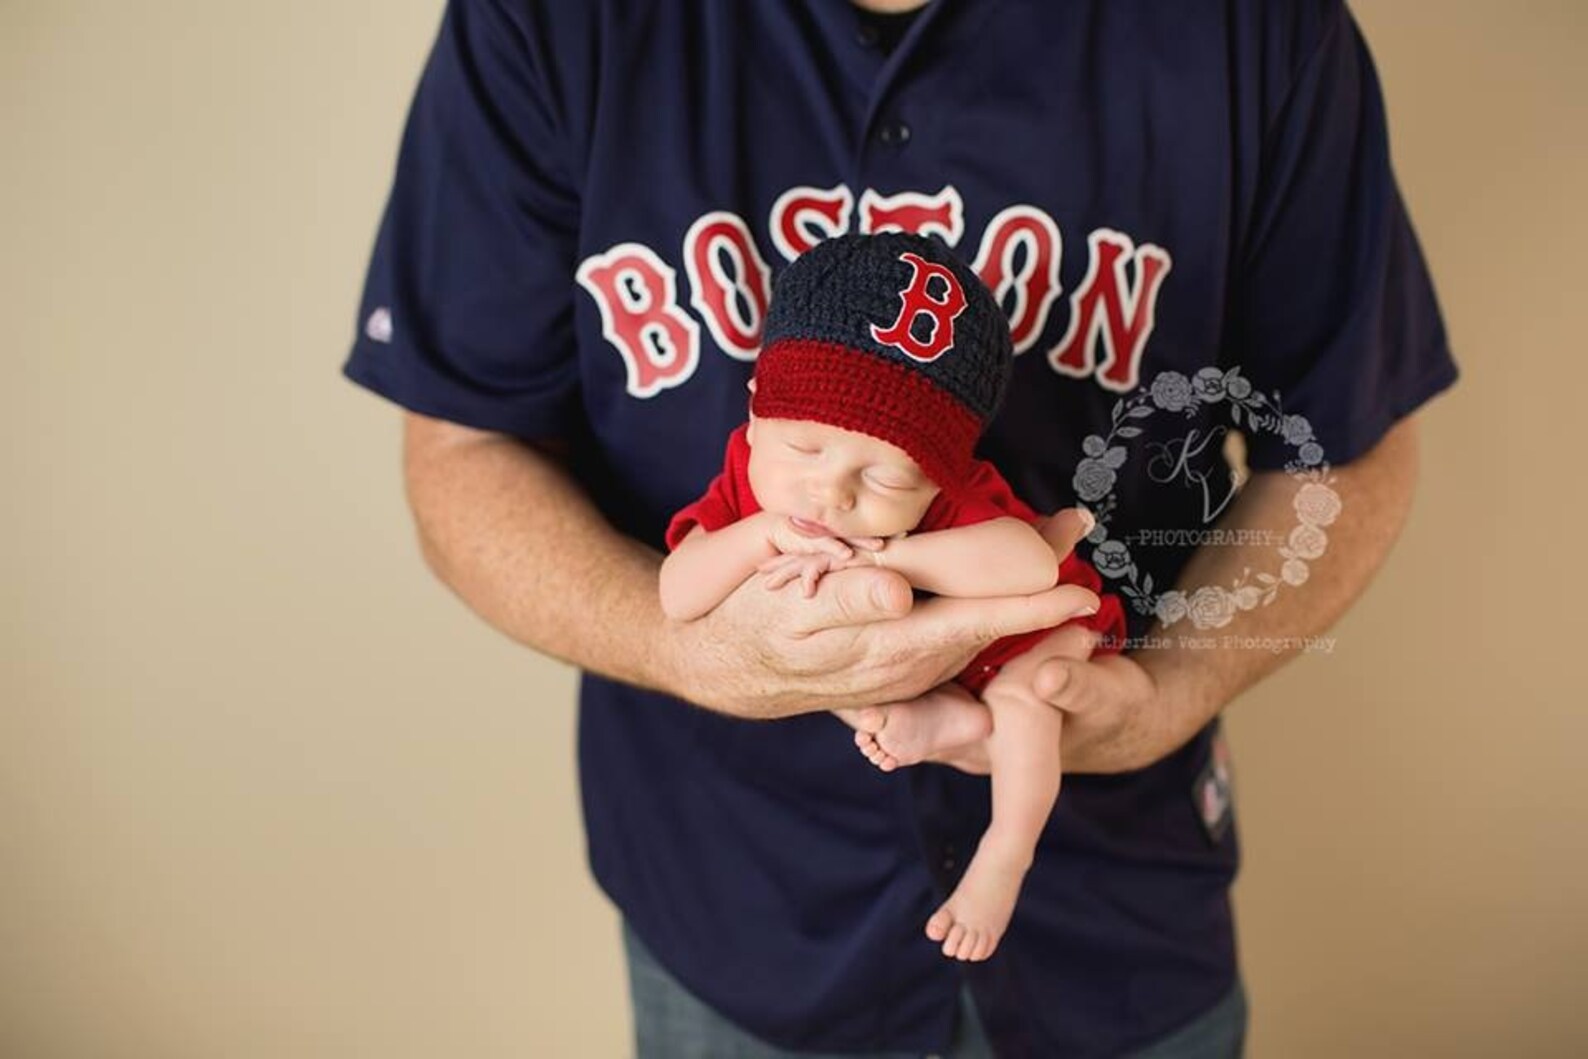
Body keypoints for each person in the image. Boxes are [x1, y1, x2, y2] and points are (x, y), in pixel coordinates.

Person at [342, 0, 1458, 1054]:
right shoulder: (549, 21)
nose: (831, 490)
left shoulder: (1245, 26)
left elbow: (1341, 449)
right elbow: (462, 450)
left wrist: (1168, 692)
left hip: (1114, 911)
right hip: (739, 914)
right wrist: (692, 650)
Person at [659, 232, 1130, 963]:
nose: (832, 491)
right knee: (858, 688)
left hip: (1029, 646)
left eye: (885, 480)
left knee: (1029, 697)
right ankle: (951, 724)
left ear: (943, 478)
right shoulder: (753, 478)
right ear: (755, 412)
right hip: (908, 683)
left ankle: (1005, 853)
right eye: (805, 451)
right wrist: (761, 537)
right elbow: (678, 592)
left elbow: (1031, 565)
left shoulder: (946, 500)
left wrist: (894, 554)